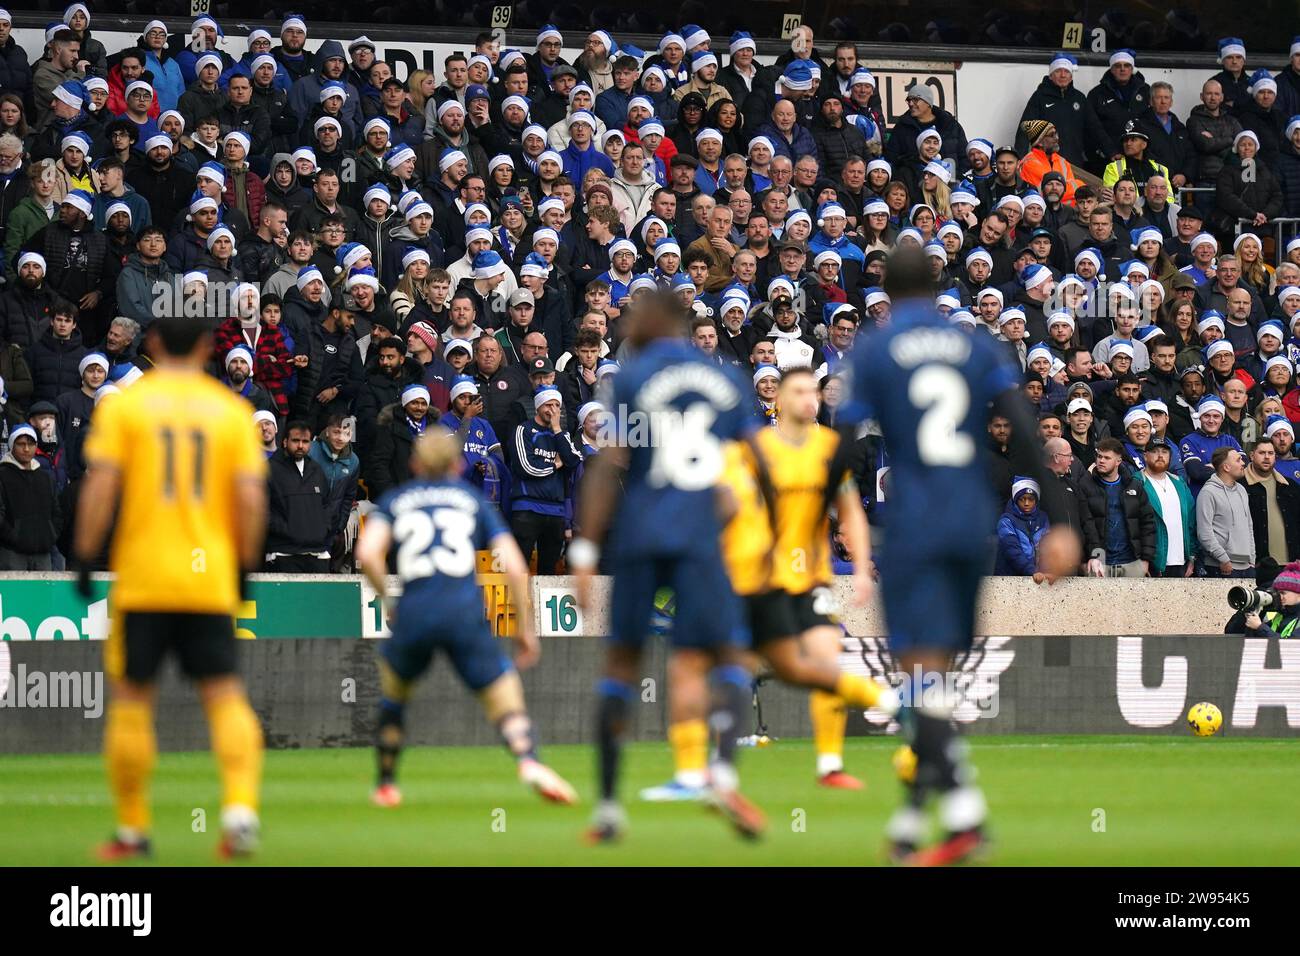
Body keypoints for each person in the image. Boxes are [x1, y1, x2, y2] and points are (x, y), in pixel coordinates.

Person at [845, 248, 1079, 865]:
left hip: (916, 525)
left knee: (918, 679)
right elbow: (1028, 433)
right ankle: (915, 819)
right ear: (940, 284)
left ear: (886, 292)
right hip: (971, 522)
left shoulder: (873, 349)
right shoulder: (976, 347)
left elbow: (843, 444)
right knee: (936, 683)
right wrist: (1061, 521)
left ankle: (965, 816)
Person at [571, 290, 767, 843]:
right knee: (727, 653)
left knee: (621, 665)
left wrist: (585, 550)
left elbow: (609, 466)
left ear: (654, 322)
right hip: (700, 538)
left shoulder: (632, 379)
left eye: (634, 317)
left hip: (641, 537)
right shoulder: (725, 382)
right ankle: (722, 772)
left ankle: (608, 809)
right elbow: (751, 469)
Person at [72, 315, 268, 860]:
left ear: (152, 344)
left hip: (144, 577)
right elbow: (251, 497)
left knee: (134, 698)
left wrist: (86, 556)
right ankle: (240, 809)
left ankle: (133, 829)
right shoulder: (230, 411)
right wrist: (244, 567)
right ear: (208, 347)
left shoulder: (127, 407)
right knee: (224, 692)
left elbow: (101, 487)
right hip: (207, 581)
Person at [355, 426, 576, 809]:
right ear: (458, 465)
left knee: (395, 697)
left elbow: (368, 554)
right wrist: (525, 629)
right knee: (505, 702)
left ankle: (387, 785)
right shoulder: (471, 501)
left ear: (414, 463)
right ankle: (528, 761)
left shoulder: (397, 499)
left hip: (414, 614)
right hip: (463, 613)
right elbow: (516, 568)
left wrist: (390, 599)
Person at [264, 420, 341, 573]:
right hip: (282, 554)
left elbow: (329, 505)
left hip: (317, 554)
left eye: (305, 441)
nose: (300, 446)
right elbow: (261, 510)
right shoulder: (268, 469)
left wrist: (322, 530)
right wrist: (287, 530)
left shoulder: (316, 470)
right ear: (285, 442)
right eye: (295, 440)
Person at [1079, 437, 1156, 578]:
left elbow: (1147, 523)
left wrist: (1145, 559)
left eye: (1107, 458)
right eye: (1099, 456)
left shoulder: (1134, 485)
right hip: (1100, 563)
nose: (1101, 461)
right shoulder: (1085, 485)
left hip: (1132, 562)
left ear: (1118, 461)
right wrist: (1094, 556)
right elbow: (1086, 524)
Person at [0, 424, 62, 570]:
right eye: (21, 444)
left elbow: (57, 512)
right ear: (12, 446)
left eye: (31, 444)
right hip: (11, 553)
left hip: (43, 553)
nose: (26, 449)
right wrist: (13, 537)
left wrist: (50, 536)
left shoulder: (45, 478)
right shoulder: (2, 475)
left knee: (43, 593)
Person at [1139, 438, 1196, 577]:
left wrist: (1192, 556)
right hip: (1153, 561)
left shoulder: (1179, 483)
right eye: (1154, 451)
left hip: (1180, 561)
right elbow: (1133, 525)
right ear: (1145, 456)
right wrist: (1142, 559)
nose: (1160, 456)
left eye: (1164, 452)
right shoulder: (1137, 482)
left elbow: (1191, 521)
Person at [1243, 436, 1300, 572]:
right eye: (1262, 453)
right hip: (1257, 564)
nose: (1267, 457)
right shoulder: (1241, 485)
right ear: (1251, 455)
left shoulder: (1289, 485)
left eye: (1270, 453)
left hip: (1291, 562)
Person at [1196, 445, 1255, 578]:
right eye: (1238, 460)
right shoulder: (1208, 493)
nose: (1243, 463)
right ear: (1226, 467)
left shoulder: (1242, 490)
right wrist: (1223, 558)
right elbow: (1204, 532)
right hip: (1221, 566)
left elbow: (1249, 526)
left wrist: (1252, 559)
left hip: (1247, 566)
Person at [1226, 560, 1300, 636]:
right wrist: (1250, 616)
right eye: (1278, 592)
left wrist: (1260, 627)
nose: (1279, 596)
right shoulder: (1280, 616)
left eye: (1283, 593)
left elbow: (1290, 645)